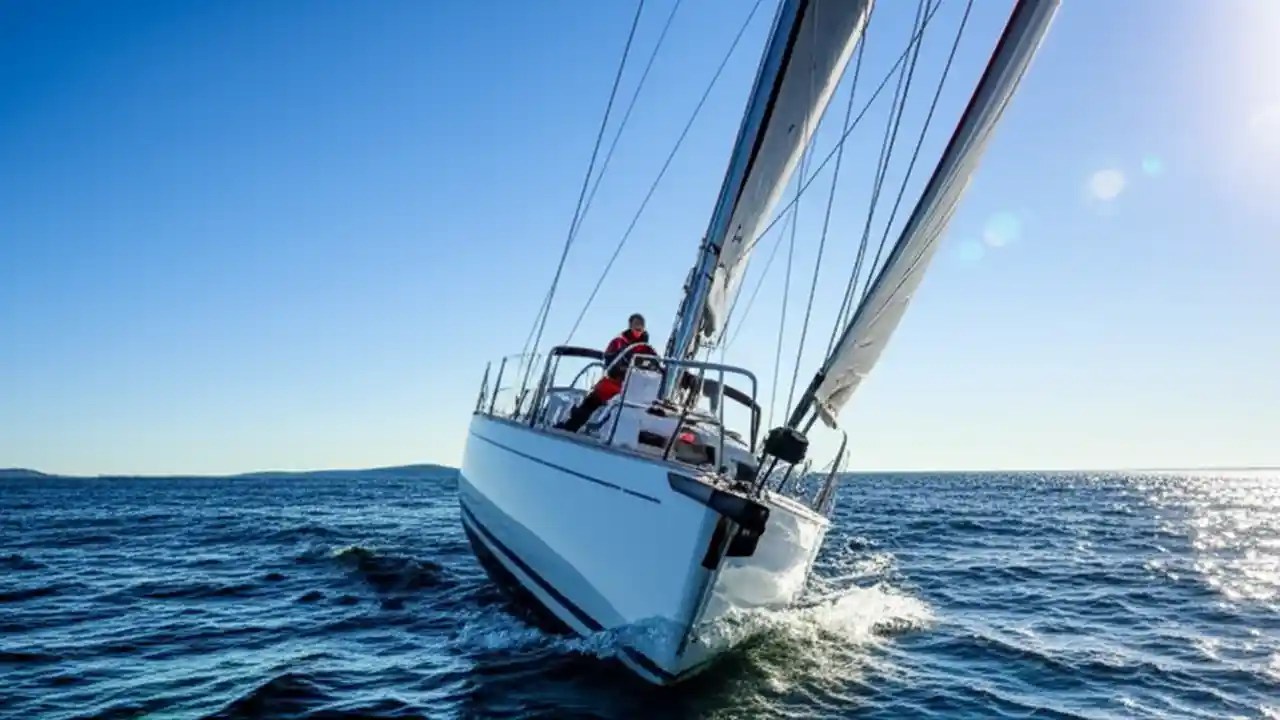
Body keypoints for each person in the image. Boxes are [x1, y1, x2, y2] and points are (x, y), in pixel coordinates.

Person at [555, 313, 656, 433]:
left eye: (641, 326)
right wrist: (621, 368)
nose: (638, 328)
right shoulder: (618, 342)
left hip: (634, 387)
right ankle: (572, 425)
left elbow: (656, 365)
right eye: (636, 325)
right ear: (630, 326)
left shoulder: (647, 349)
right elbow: (610, 362)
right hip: (615, 382)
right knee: (592, 399)